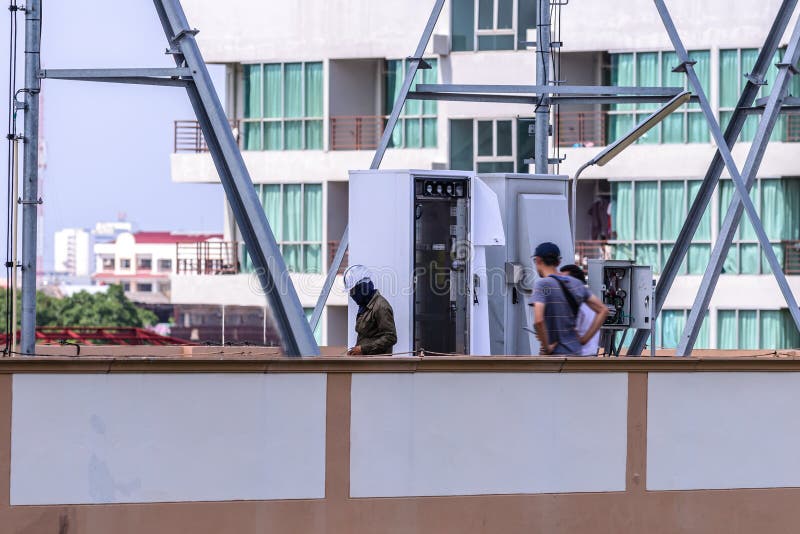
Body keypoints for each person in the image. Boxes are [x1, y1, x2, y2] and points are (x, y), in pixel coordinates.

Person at [530, 242, 608, 356]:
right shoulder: (576, 283)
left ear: (538, 260)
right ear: (558, 262)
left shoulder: (542, 285)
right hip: (575, 354)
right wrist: (584, 339)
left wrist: (547, 347)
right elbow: (603, 310)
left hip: (554, 357)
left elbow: (538, 321)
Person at [343, 265, 397, 356]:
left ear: (363, 288)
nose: (352, 295)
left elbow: (390, 337)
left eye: (353, 291)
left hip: (377, 366)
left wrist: (363, 349)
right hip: (365, 363)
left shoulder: (381, 306)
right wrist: (356, 351)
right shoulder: (365, 307)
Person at [560, 263, 601, 356]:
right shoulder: (592, 302)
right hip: (590, 355)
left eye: (565, 281)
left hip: (576, 358)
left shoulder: (576, 303)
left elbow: (571, 334)